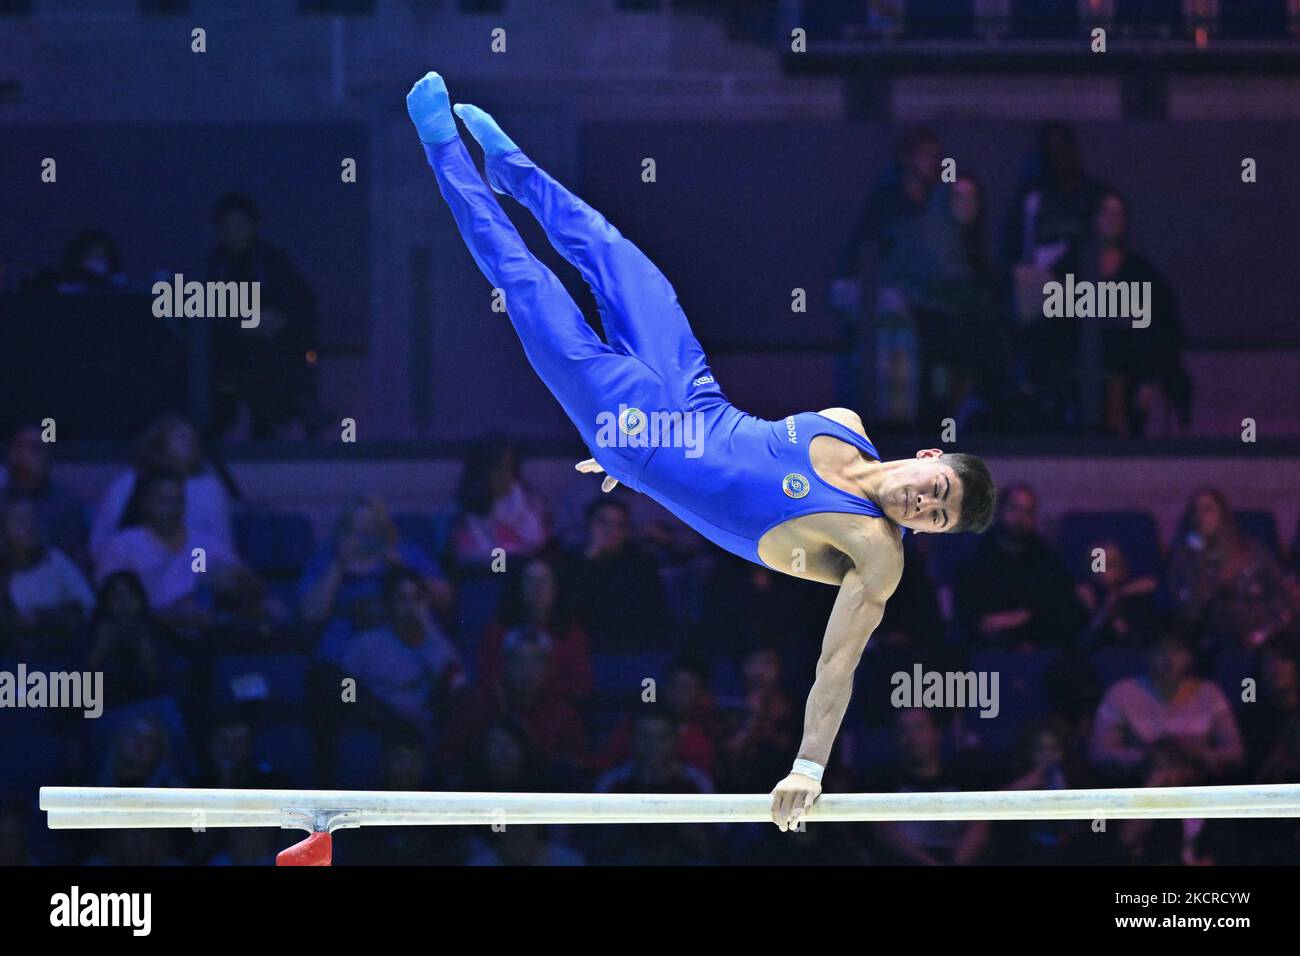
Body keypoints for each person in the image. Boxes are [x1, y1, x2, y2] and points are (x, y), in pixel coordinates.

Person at [407, 72, 997, 828]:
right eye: (938, 487)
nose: (927, 504)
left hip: (637, 430)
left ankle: (438, 147)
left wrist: (809, 765)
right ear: (927, 456)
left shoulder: (876, 552)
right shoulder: (846, 421)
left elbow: (835, 666)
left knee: (525, 283)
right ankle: (509, 162)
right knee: (605, 247)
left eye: (938, 517)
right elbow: (726, 459)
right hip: (690, 387)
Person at [205, 192, 319, 439]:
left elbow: (300, 301)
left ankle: (294, 412)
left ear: (253, 227)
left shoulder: (271, 261)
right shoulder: (212, 267)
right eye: (228, 227)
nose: (235, 233)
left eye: (240, 226)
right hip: (227, 348)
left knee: (275, 356)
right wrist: (242, 326)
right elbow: (204, 314)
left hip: (275, 344)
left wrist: (280, 319)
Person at [1167, 488, 1298, 653]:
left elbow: (1281, 597)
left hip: (1265, 634)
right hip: (1218, 639)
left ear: (1222, 515)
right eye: (1195, 511)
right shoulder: (1186, 558)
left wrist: (1261, 634)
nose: (1200, 517)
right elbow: (1191, 611)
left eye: (1207, 510)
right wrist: (1196, 557)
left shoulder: (1253, 552)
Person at [955, 482, 1086, 648]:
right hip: (988, 655)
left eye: (1028, 512)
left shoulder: (1048, 562)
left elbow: (1061, 609)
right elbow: (973, 621)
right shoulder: (975, 562)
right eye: (1014, 508)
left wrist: (1022, 618)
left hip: (1041, 652)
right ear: (998, 511)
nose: (1020, 518)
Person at [89, 416, 235, 565]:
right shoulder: (128, 482)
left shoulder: (209, 488)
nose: (189, 440)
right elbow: (102, 538)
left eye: (192, 436)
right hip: (137, 568)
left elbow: (220, 544)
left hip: (195, 566)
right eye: (182, 435)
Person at [1, 424, 90, 568]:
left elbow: (74, 564)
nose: (23, 455)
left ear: (48, 457)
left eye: (33, 448)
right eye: (18, 447)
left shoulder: (67, 506)